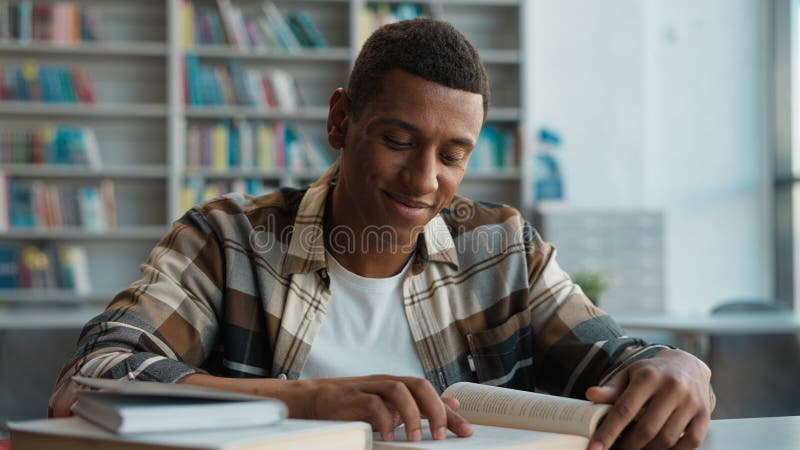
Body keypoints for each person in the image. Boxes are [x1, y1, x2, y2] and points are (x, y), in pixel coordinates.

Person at [50, 18, 713, 450]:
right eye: (399, 140)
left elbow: (620, 360)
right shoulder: (225, 242)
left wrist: (674, 366)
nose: (424, 179)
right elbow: (94, 376)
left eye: (453, 155)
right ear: (341, 121)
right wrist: (304, 401)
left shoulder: (504, 252)